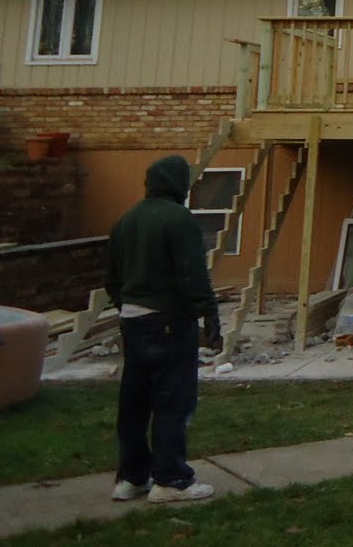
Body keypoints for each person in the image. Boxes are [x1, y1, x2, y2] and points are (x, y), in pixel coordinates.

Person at [105, 154, 223, 504]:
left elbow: (111, 277)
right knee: (173, 401)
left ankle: (131, 477)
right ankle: (170, 479)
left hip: (132, 321)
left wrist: (128, 307)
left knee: (134, 403)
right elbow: (192, 273)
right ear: (179, 185)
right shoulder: (179, 219)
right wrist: (209, 315)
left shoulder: (126, 220)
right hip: (171, 321)